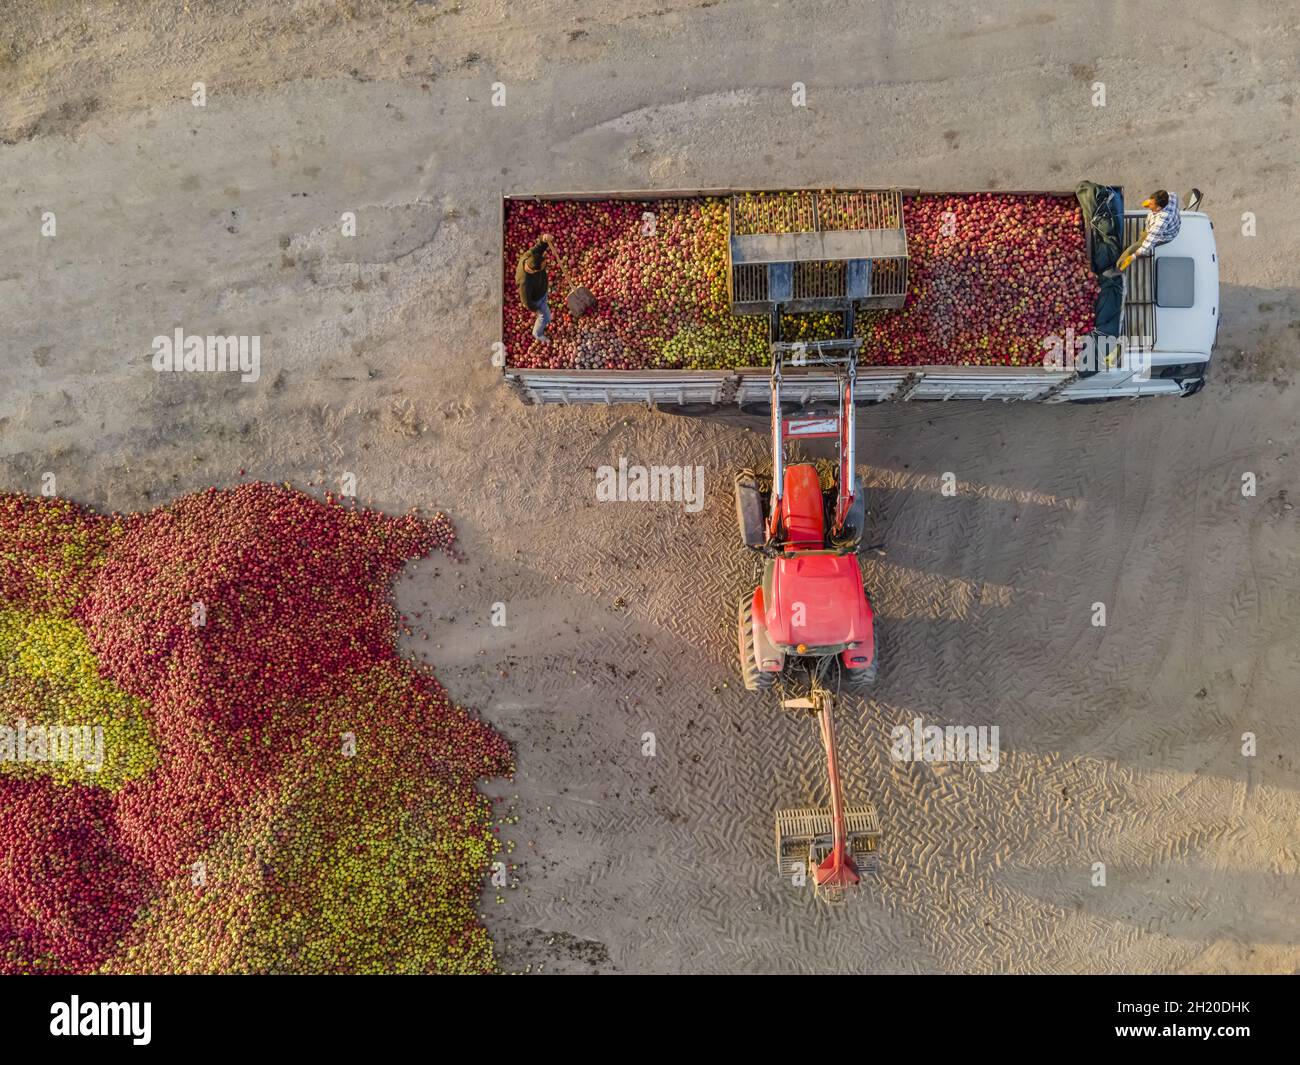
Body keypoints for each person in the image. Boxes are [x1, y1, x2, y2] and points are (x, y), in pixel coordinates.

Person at [1116, 190, 1181, 271]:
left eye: (1151, 204)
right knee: (1145, 235)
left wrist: (1134, 256)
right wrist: (1151, 202)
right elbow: (1172, 194)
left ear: (1159, 208)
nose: (1149, 204)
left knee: (1138, 245)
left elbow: (1147, 244)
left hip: (1164, 235)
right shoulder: (1171, 196)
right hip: (1169, 228)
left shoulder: (1161, 221)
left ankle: (1118, 267)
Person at [516, 233, 556, 343]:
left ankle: (544, 302)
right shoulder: (525, 281)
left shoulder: (530, 256)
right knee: (546, 317)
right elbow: (526, 300)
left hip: (541, 291)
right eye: (544, 267)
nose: (545, 266)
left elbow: (539, 246)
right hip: (537, 300)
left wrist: (544, 238)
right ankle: (537, 333)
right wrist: (535, 309)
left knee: (545, 301)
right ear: (534, 270)